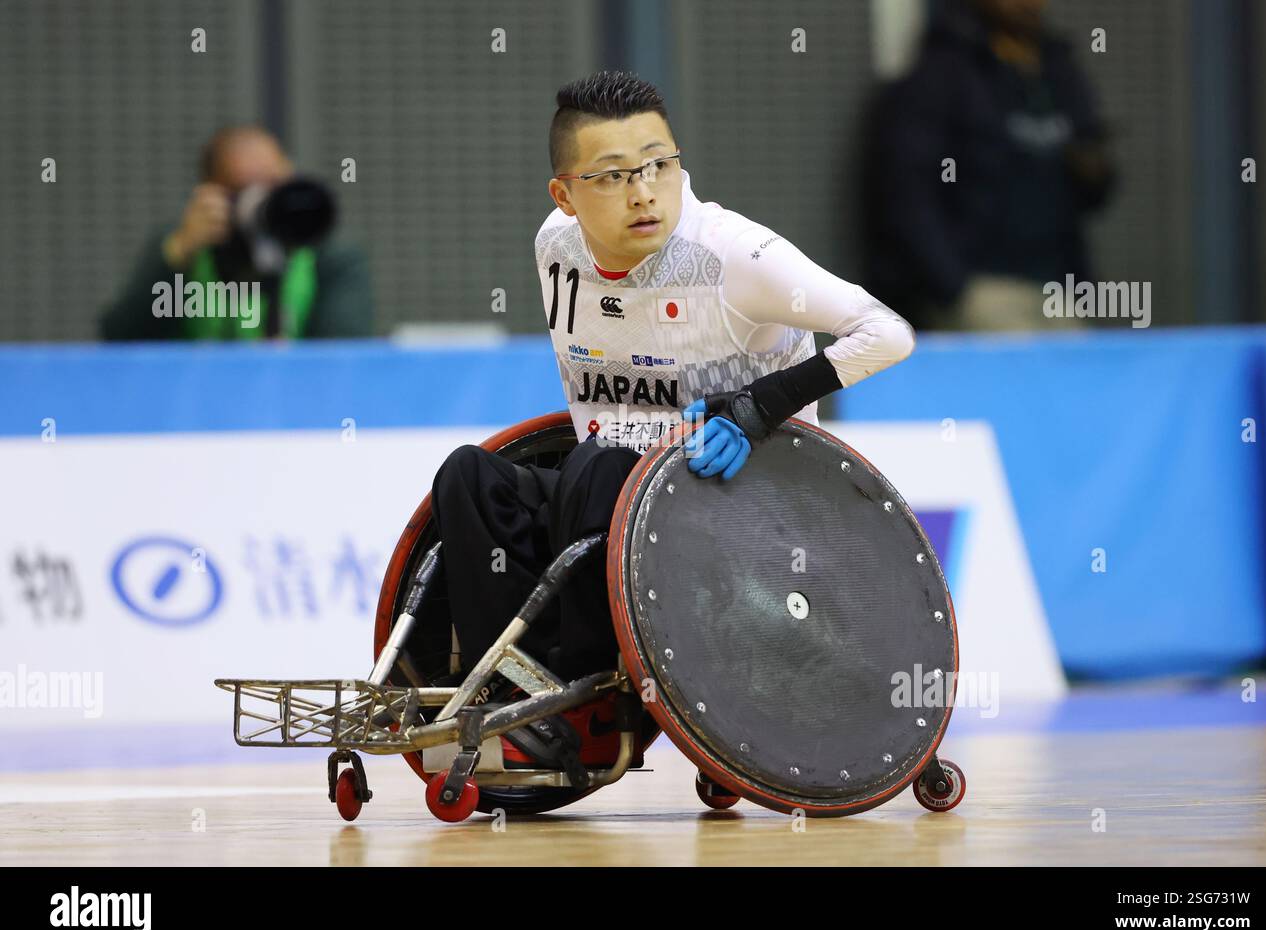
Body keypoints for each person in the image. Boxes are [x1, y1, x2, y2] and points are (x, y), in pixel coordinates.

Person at [426, 70, 915, 697]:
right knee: (470, 476)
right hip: (606, 508)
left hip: (739, 512)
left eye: (659, 165)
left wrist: (758, 407)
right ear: (564, 196)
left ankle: (587, 699)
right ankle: (503, 691)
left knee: (597, 467)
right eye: (610, 176)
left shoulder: (736, 257)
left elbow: (888, 333)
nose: (643, 193)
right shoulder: (555, 245)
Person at [867, 0, 1115, 332]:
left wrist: (1094, 167)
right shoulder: (943, 70)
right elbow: (906, 191)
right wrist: (954, 287)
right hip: (984, 290)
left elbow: (1094, 183)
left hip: (1059, 286)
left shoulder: (1056, 65)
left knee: (1079, 380)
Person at [98, 124, 373, 340]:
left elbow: (343, 358)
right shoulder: (183, 246)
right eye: (245, 189)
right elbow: (121, 340)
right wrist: (176, 256)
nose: (264, 201)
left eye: (274, 185)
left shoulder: (327, 251)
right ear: (210, 191)